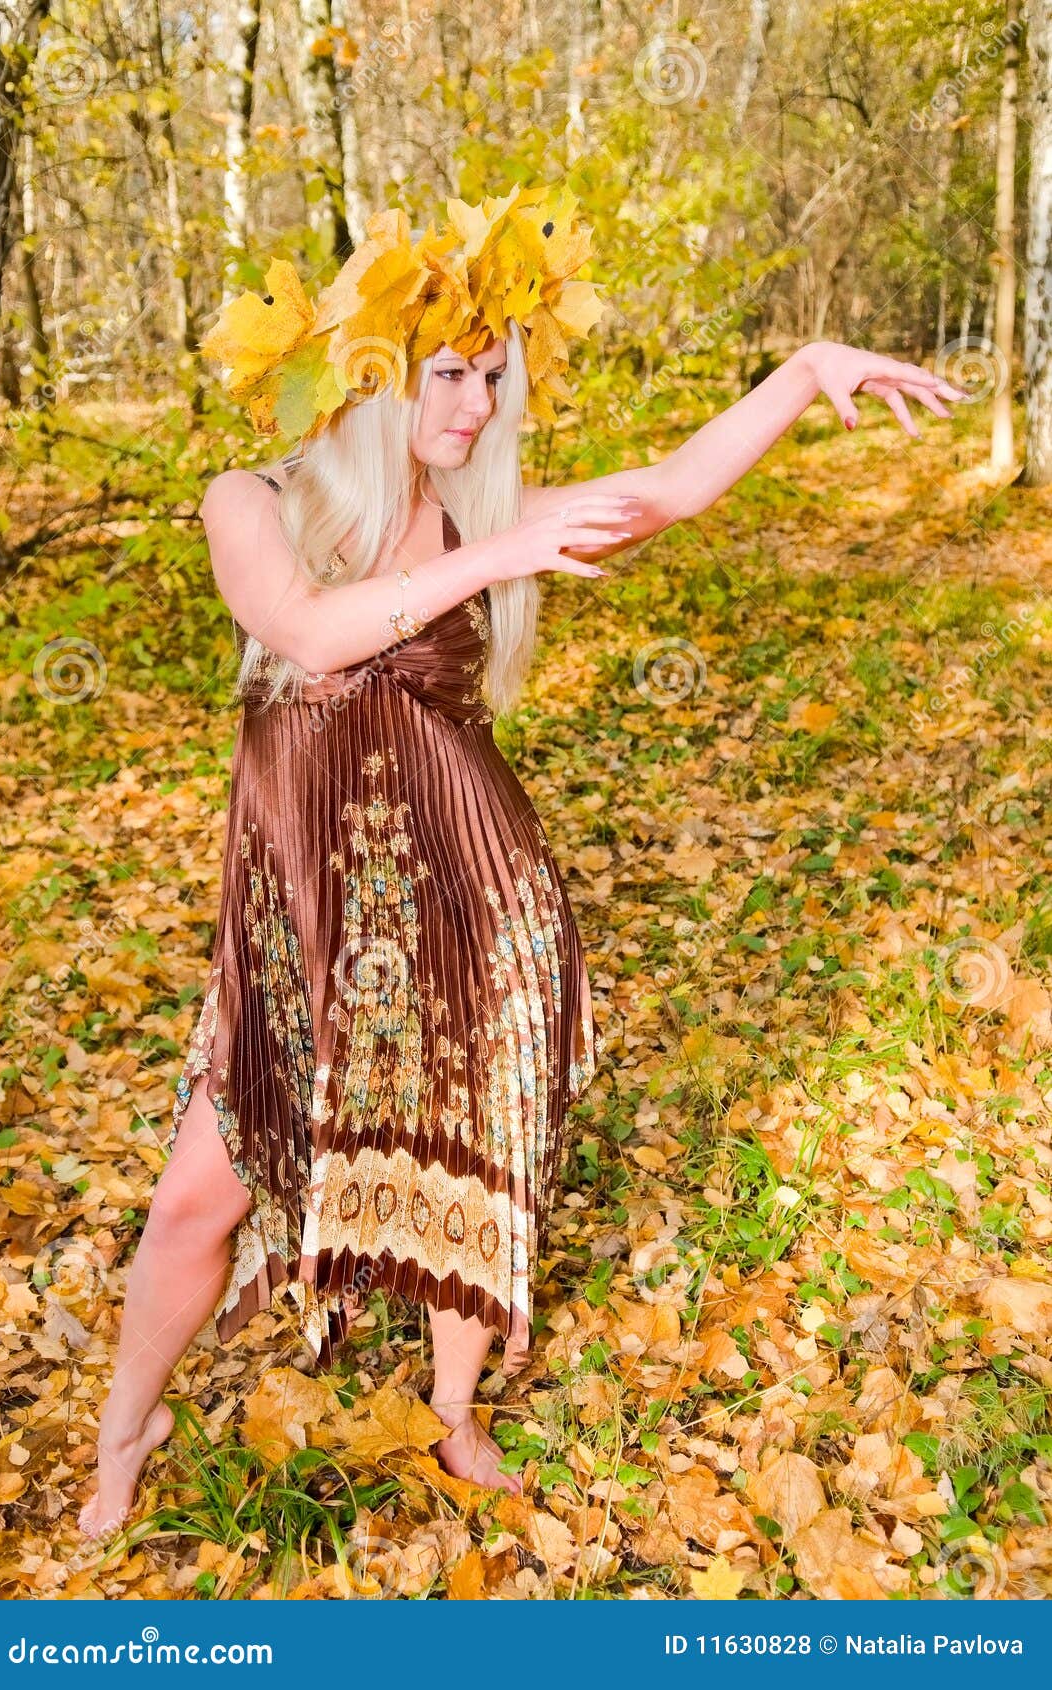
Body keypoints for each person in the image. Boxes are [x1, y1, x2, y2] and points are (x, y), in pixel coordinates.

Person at [77, 185, 966, 1540]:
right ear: (375, 374)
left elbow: (667, 491)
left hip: (472, 894)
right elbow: (312, 635)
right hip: (305, 914)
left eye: (494, 379)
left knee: (466, 1150)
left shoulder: (487, 512)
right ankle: (128, 1418)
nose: (478, 408)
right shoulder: (248, 501)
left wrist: (801, 374)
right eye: (449, 374)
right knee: (205, 1184)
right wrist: (498, 548)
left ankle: (452, 1406)